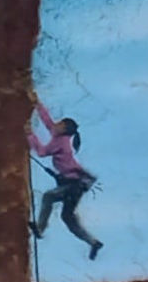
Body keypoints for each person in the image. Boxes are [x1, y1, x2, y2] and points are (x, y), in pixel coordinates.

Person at [28, 99, 101, 258]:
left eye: (60, 124)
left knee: (48, 197)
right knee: (67, 218)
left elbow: (41, 152)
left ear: (65, 130)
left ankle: (40, 229)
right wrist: (36, 103)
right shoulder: (58, 135)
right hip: (73, 185)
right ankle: (93, 242)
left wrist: (30, 135)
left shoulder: (62, 143)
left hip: (73, 185)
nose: (56, 124)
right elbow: (47, 120)